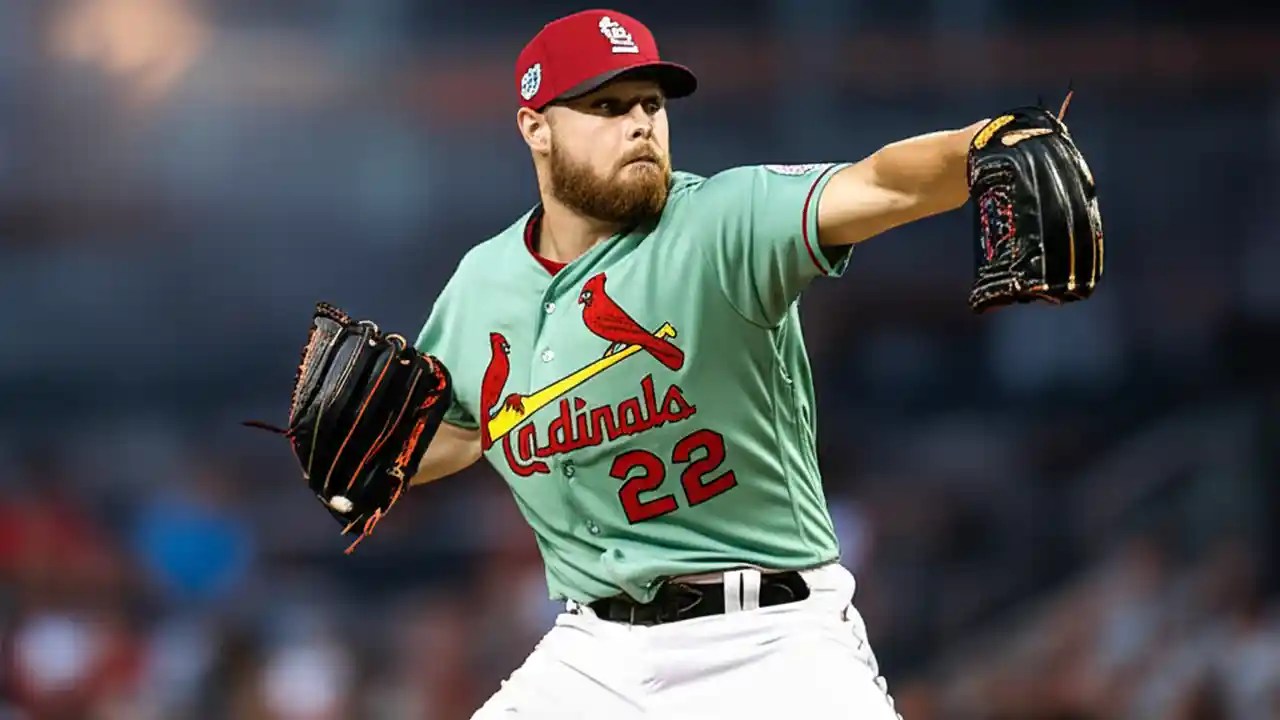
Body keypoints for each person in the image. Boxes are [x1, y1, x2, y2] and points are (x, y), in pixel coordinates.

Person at [412, 9, 988, 719]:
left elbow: (879, 185)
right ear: (536, 128)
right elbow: (452, 435)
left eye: (650, 103)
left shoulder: (723, 220)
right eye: (605, 106)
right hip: (596, 651)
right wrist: (373, 464)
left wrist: (979, 148)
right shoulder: (483, 285)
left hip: (774, 638)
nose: (639, 124)